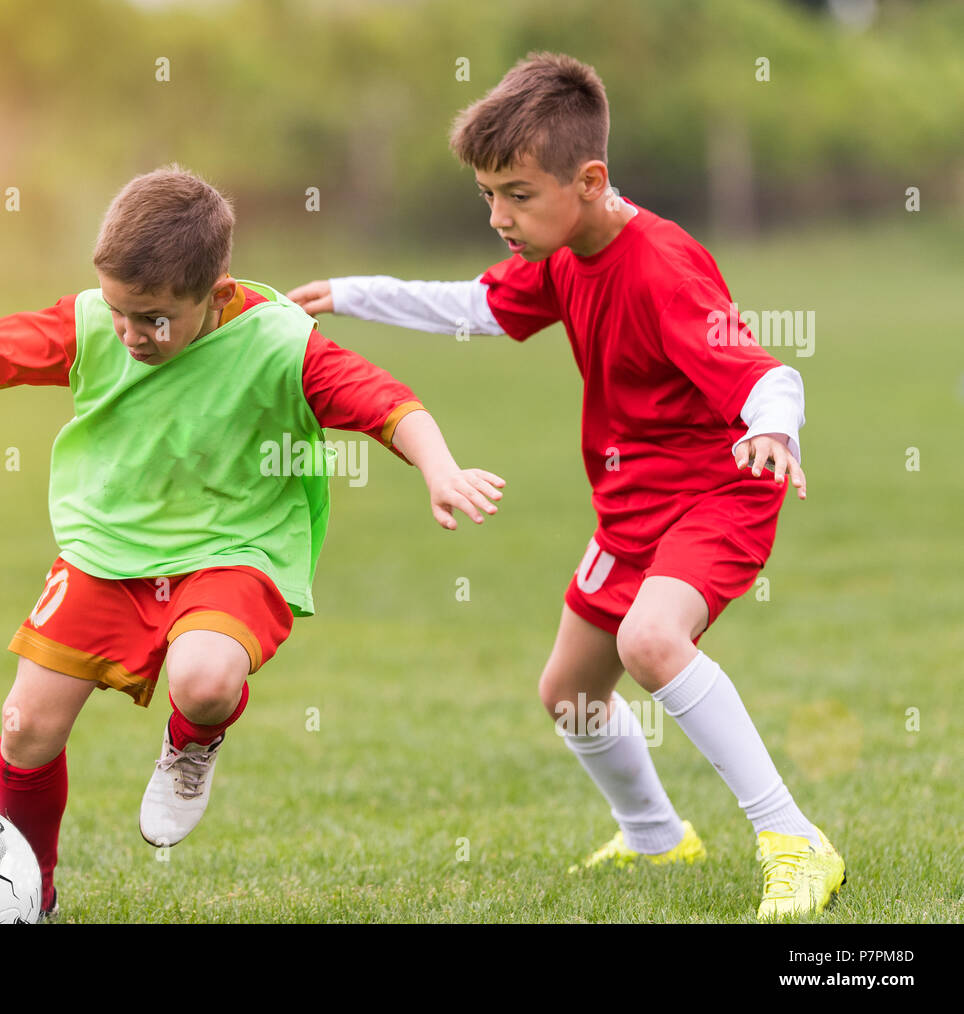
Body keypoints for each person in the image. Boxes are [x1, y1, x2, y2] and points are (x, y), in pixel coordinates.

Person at [0, 166, 505, 919]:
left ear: (217, 294)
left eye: (156, 317)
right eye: (122, 311)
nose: (132, 333)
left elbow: (386, 402)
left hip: (233, 547)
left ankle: (191, 746)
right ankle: (33, 894)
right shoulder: (96, 319)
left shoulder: (279, 341)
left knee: (205, 680)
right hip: (109, 547)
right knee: (26, 726)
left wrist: (441, 468)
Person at [287, 53, 843, 920]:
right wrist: (349, 293)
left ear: (590, 179)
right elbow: (474, 308)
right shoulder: (562, 251)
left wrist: (773, 429)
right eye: (487, 196)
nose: (499, 216)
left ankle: (793, 840)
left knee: (652, 644)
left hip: (716, 493)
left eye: (516, 193)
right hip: (632, 510)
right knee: (570, 696)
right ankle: (657, 838)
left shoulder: (661, 265)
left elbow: (767, 371)